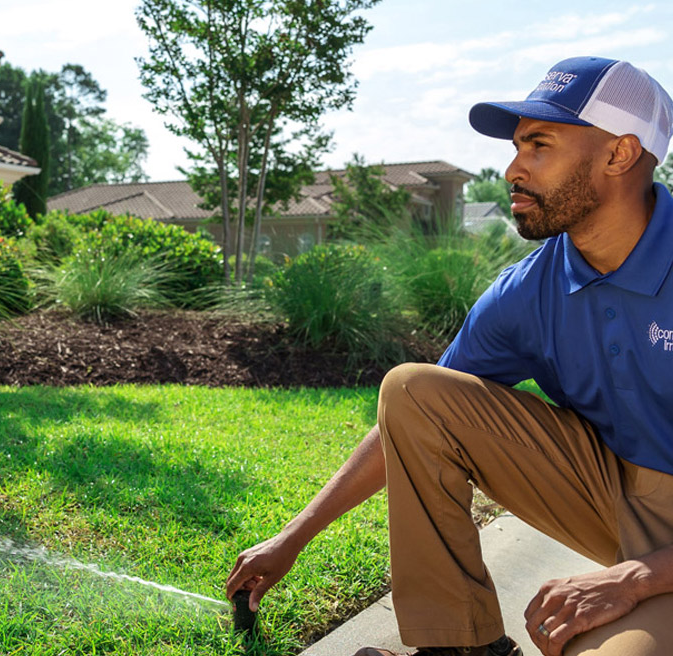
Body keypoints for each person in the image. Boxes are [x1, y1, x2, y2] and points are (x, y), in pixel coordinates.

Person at [225, 56, 673, 656]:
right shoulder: (530, 289)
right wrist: (293, 537)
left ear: (620, 154)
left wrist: (637, 578)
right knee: (413, 389)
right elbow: (415, 416)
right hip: (611, 495)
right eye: (517, 146)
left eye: (539, 145)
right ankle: (461, 648)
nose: (512, 169)